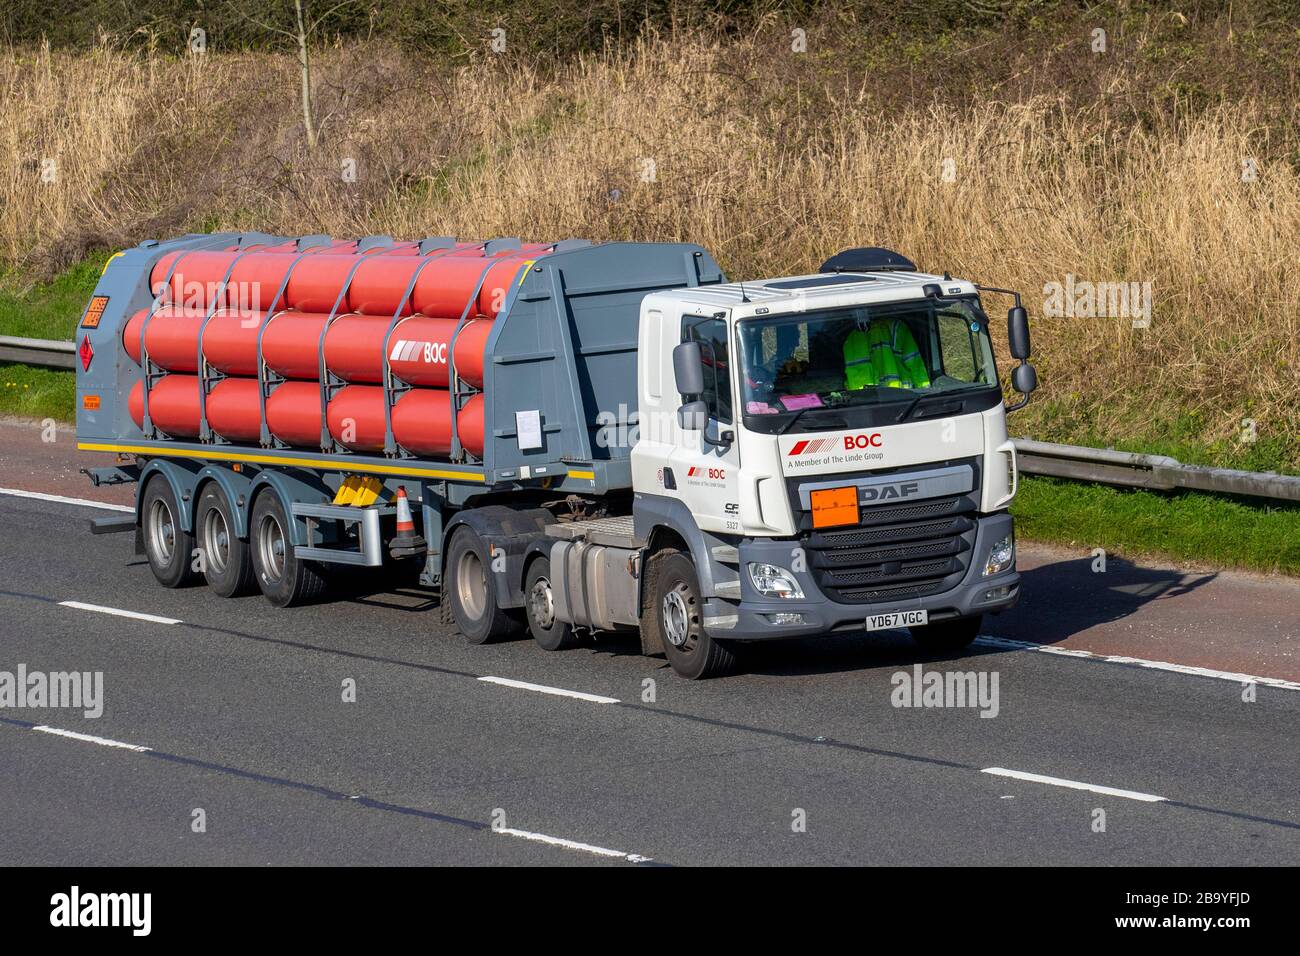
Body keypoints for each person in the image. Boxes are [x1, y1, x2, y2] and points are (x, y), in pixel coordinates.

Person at [842, 317, 931, 390]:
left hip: (864, 406)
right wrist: (926, 393)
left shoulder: (849, 338)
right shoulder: (896, 328)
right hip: (902, 399)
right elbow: (916, 365)